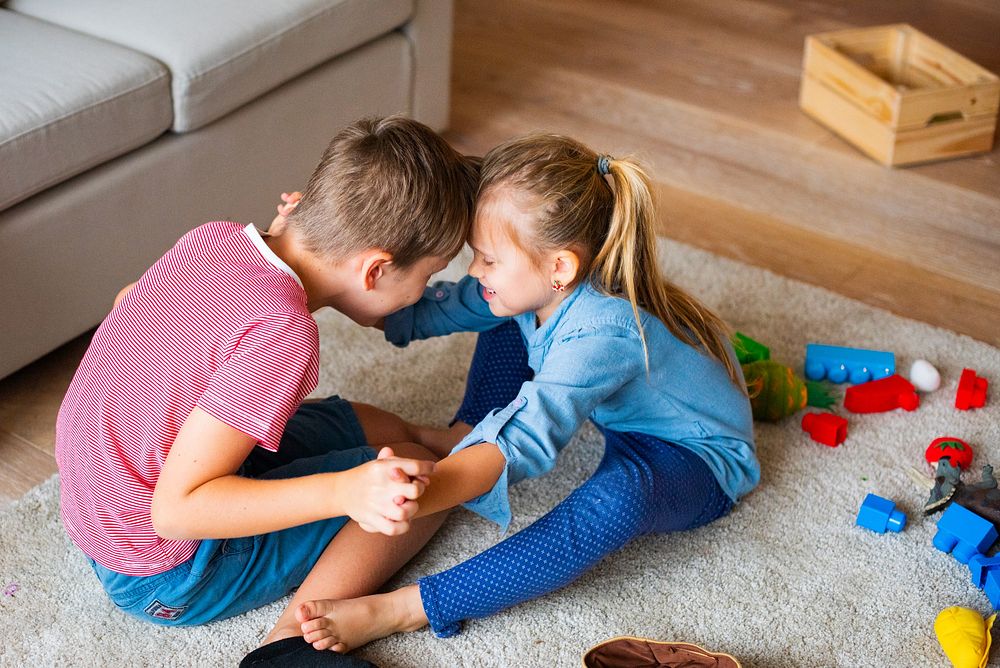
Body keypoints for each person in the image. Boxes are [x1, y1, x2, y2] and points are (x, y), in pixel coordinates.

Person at [292, 133, 761, 652]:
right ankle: (464, 436)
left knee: (620, 497)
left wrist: (431, 492)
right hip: (619, 409)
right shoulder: (538, 281)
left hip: (695, 456)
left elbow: (529, 437)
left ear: (561, 267)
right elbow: (432, 309)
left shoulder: (606, 330)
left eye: (488, 259)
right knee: (499, 307)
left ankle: (409, 608)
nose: (474, 270)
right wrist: (329, 274)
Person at [54, 116, 479, 666]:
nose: (425, 292)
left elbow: (126, 299)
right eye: (430, 275)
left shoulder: (217, 237)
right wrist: (343, 492)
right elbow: (177, 512)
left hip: (103, 498)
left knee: (390, 434)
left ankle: (442, 436)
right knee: (419, 482)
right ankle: (290, 638)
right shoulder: (285, 334)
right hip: (166, 563)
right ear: (374, 269)